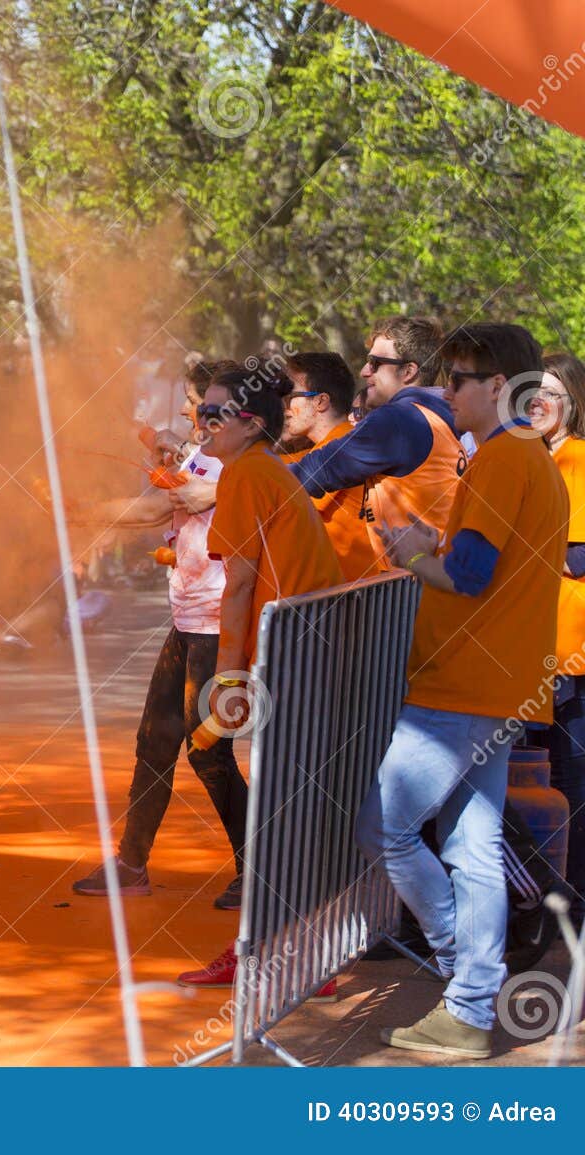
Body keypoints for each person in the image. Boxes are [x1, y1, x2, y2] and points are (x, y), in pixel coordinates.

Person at [358, 323, 567, 1059]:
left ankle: (467, 983)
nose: (446, 391)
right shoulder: (527, 458)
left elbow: (471, 576)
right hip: (498, 684)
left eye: (458, 378)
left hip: (466, 684)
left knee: (384, 825)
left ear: (497, 387)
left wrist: (415, 554)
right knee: (472, 848)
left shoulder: (507, 460)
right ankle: (470, 1005)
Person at [176, 358, 344, 990]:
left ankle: (281, 956)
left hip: (297, 655)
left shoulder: (246, 472)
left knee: (284, 812)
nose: (202, 424)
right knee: (290, 810)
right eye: (199, 412)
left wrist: (227, 679)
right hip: (309, 650)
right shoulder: (261, 467)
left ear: (248, 425)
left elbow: (240, 581)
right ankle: (290, 952)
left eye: (214, 414)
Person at [72, 357, 249, 909]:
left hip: (219, 626)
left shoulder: (241, 465)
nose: (187, 409)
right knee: (155, 741)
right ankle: (131, 862)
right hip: (187, 623)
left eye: (199, 402)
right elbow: (161, 508)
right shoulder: (206, 455)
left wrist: (85, 511)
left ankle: (259, 868)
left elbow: (157, 505)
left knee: (208, 751)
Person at [291, 317, 462, 559]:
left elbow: (319, 470)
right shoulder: (436, 414)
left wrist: (247, 484)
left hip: (414, 583)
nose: (364, 371)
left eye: (375, 363)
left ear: (409, 371)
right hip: (431, 571)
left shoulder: (399, 420)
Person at [528, 350, 585, 926]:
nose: (539, 402)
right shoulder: (533, 458)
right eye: (532, 391)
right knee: (544, 781)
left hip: (570, 651)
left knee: (570, 783)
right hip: (533, 650)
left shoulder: (576, 461)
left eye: (553, 392)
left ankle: (570, 904)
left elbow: (576, 559)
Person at [281, 351, 377, 580]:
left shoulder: (342, 449)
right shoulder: (337, 443)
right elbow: (276, 466)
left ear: (320, 401)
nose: (283, 408)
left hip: (352, 601)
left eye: (288, 397)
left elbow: (275, 496)